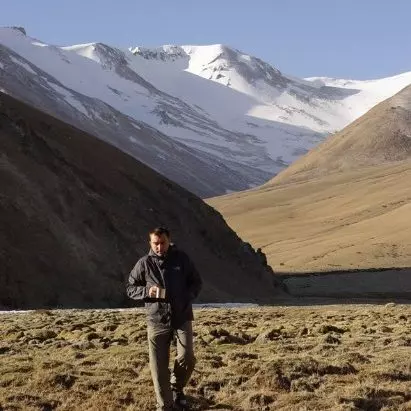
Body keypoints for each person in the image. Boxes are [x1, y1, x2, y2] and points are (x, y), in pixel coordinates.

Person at [127, 227, 202, 411]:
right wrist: (146, 291)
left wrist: (187, 297)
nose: (159, 247)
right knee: (159, 369)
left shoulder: (181, 259)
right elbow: (130, 288)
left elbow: (196, 281)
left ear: (169, 241)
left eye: (163, 243)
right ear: (150, 243)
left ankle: (176, 388)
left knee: (187, 357)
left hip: (181, 315)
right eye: (156, 243)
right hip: (157, 319)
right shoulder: (144, 263)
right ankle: (165, 406)